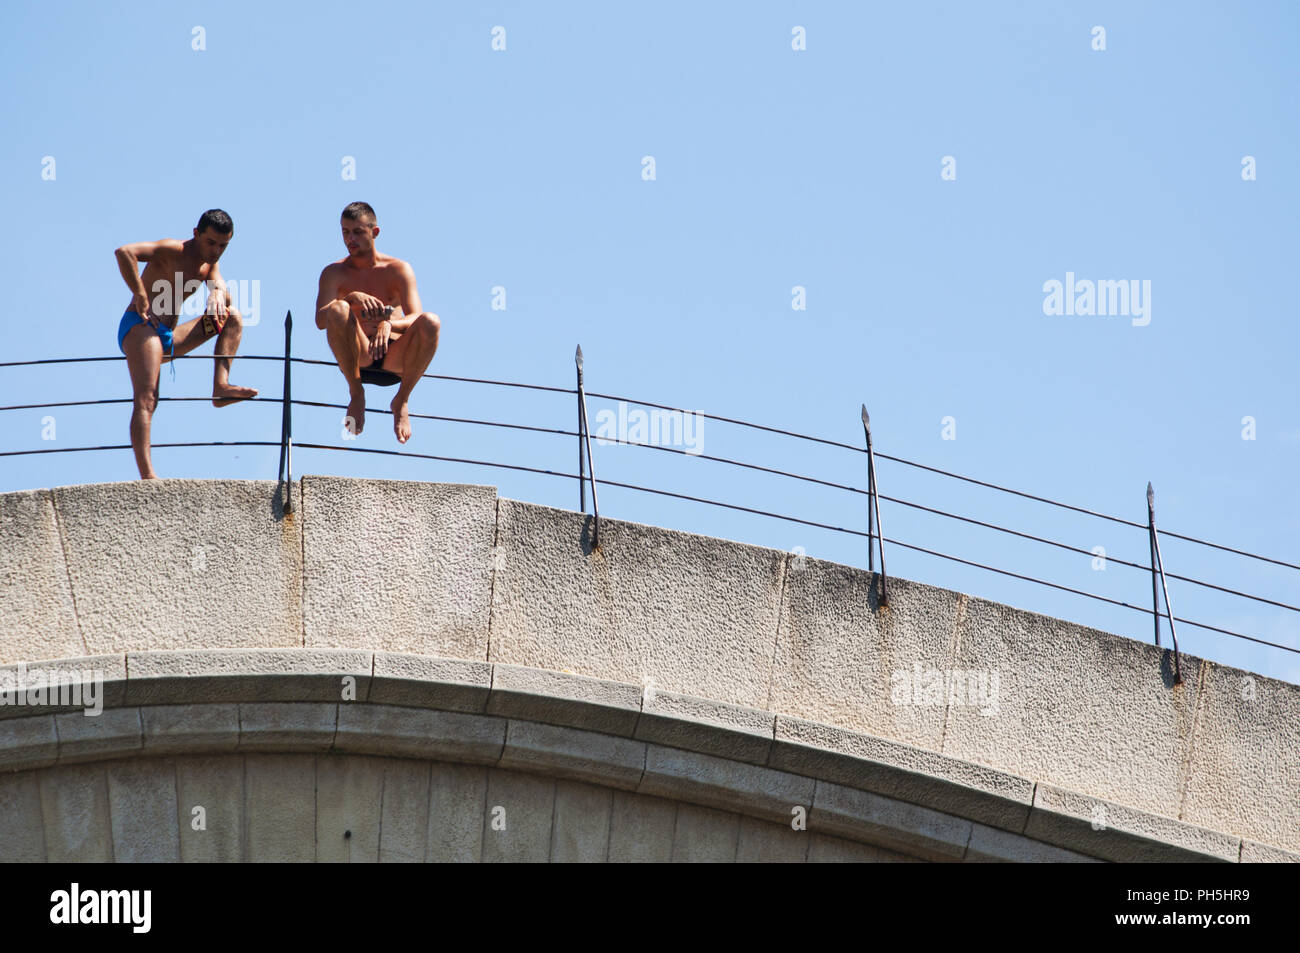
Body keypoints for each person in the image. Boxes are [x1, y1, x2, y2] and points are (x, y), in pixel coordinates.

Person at [113, 209, 257, 479]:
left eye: (223, 246)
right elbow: (124, 252)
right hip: (141, 327)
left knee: (232, 316)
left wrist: (216, 294)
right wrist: (140, 294)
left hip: (169, 336)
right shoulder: (172, 249)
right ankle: (148, 476)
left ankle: (221, 386)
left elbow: (223, 290)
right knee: (147, 399)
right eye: (210, 242)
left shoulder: (209, 265)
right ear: (196, 234)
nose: (215, 251)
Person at [314, 201, 441, 443]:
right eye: (345, 232)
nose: (350, 239)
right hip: (358, 357)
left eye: (358, 232)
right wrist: (351, 299)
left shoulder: (398, 269)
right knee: (338, 309)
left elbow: (416, 316)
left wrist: (390, 324)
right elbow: (321, 320)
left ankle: (402, 400)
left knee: (431, 322)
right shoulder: (334, 272)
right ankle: (356, 394)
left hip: (395, 358)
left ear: (375, 232)